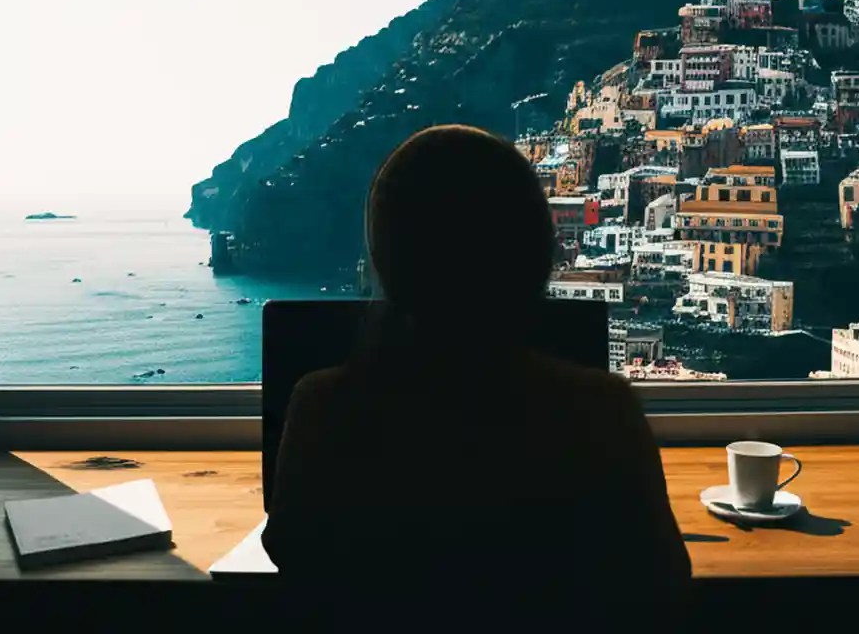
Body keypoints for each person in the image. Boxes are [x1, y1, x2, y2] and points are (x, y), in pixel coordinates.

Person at [262, 125, 690, 627]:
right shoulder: (602, 414)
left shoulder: (325, 409)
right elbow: (663, 585)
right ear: (539, 253)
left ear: (384, 260)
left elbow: (290, 554)